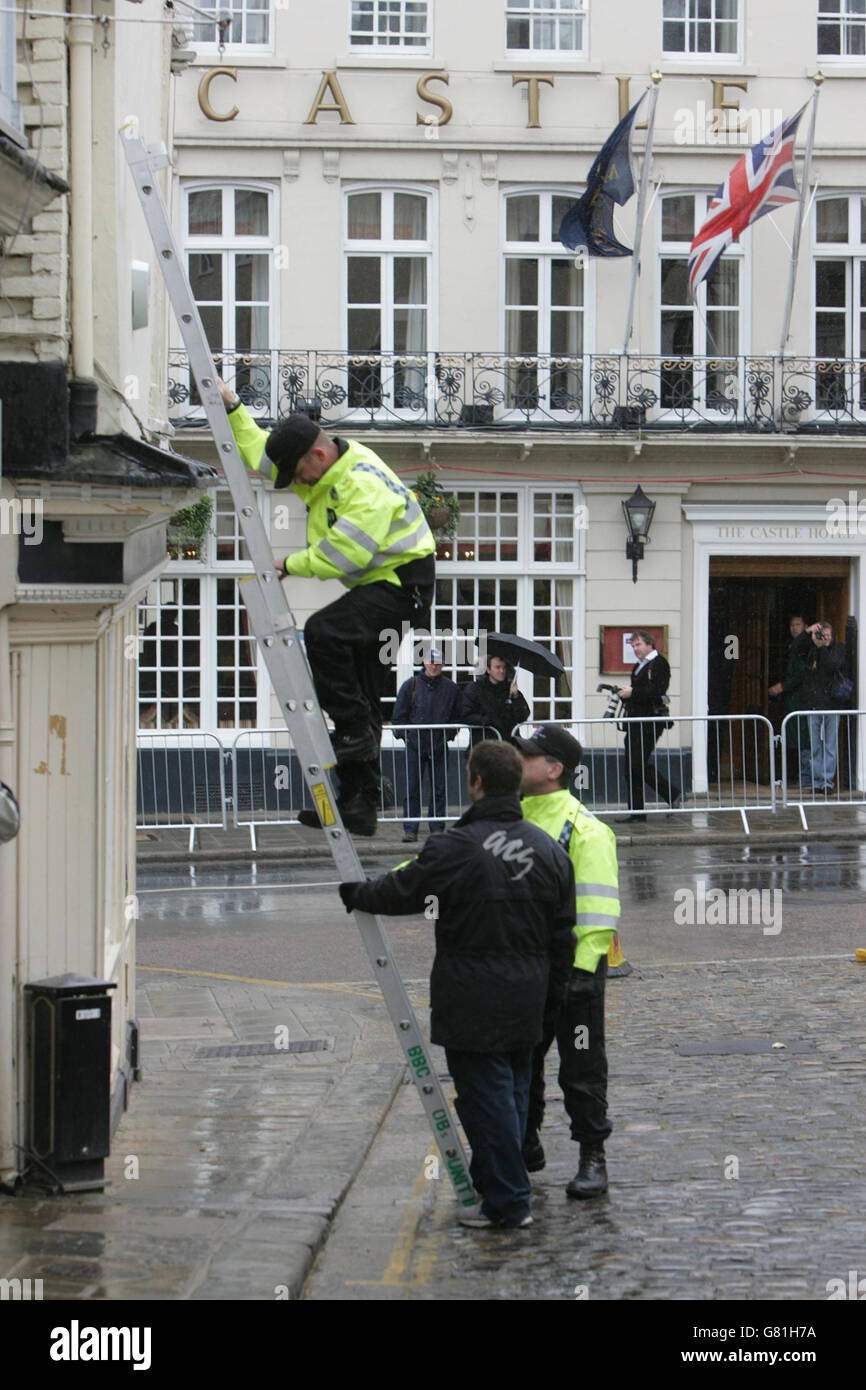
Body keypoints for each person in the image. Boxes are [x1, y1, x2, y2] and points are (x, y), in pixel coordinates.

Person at [337, 740, 575, 1230]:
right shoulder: (549, 850)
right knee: (511, 1095)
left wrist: (356, 893)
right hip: (529, 995)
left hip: (473, 999)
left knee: (486, 1101)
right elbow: (563, 935)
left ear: (477, 783)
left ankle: (509, 1202)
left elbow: (404, 890)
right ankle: (501, 1188)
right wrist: (552, 999)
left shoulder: (454, 846)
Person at [216, 379, 435, 836]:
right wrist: (234, 406)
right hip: (381, 586)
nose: (296, 484)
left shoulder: (359, 482)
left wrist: (290, 564)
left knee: (323, 631)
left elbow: (347, 553)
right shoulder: (321, 473)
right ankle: (359, 806)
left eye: (297, 474)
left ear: (318, 456)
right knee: (363, 695)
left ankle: (353, 737)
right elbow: (260, 452)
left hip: (401, 586)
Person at [514, 725, 621, 1199]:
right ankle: (525, 1141)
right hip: (520, 966)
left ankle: (592, 1155)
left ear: (554, 769)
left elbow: (598, 910)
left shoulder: (585, 829)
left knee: (581, 1065)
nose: (517, 760)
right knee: (520, 1062)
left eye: (527, 755)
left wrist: (583, 970)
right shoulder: (504, 818)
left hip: (572, 969)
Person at [392, 646, 460, 842]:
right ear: (423, 663)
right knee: (412, 788)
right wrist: (408, 737)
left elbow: (456, 716)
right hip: (415, 745)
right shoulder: (410, 685)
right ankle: (410, 829)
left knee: (439, 788)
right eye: (431, 662)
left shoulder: (451, 688)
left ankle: (437, 826)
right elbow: (399, 717)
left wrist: (448, 735)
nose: (434, 666)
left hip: (438, 744)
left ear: (443, 664)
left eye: (438, 662)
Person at [617, 629, 678, 823]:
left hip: (650, 721)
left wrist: (632, 692)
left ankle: (670, 796)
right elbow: (641, 691)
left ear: (649, 644)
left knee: (637, 764)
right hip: (635, 721)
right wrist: (624, 693)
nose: (635, 649)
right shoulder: (639, 665)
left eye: (638, 645)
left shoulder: (659, 663)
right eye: (633, 645)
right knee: (633, 766)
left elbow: (658, 690)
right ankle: (638, 811)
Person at [789, 620, 847, 793]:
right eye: (822, 634)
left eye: (827, 635)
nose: (824, 638)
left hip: (832, 705)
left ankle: (827, 782)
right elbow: (794, 649)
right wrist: (807, 632)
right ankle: (816, 782)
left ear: (833, 635)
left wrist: (822, 647)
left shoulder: (838, 649)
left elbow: (831, 667)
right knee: (815, 746)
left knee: (829, 746)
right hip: (813, 704)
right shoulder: (810, 648)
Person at [768, 615, 809, 783]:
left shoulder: (805, 647)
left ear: (805, 626)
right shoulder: (792, 646)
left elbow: (800, 674)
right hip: (792, 699)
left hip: (802, 698)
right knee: (793, 737)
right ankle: (796, 776)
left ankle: (805, 778)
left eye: (798, 624)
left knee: (804, 738)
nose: (794, 628)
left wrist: (782, 687)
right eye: (791, 625)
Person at [459, 654, 530, 744]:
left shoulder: (511, 690)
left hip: (509, 745)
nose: (502, 671)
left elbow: (522, 716)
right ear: (488, 670)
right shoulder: (475, 689)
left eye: (504, 668)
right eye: (497, 667)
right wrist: (490, 720)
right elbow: (465, 715)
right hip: (484, 744)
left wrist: (516, 696)